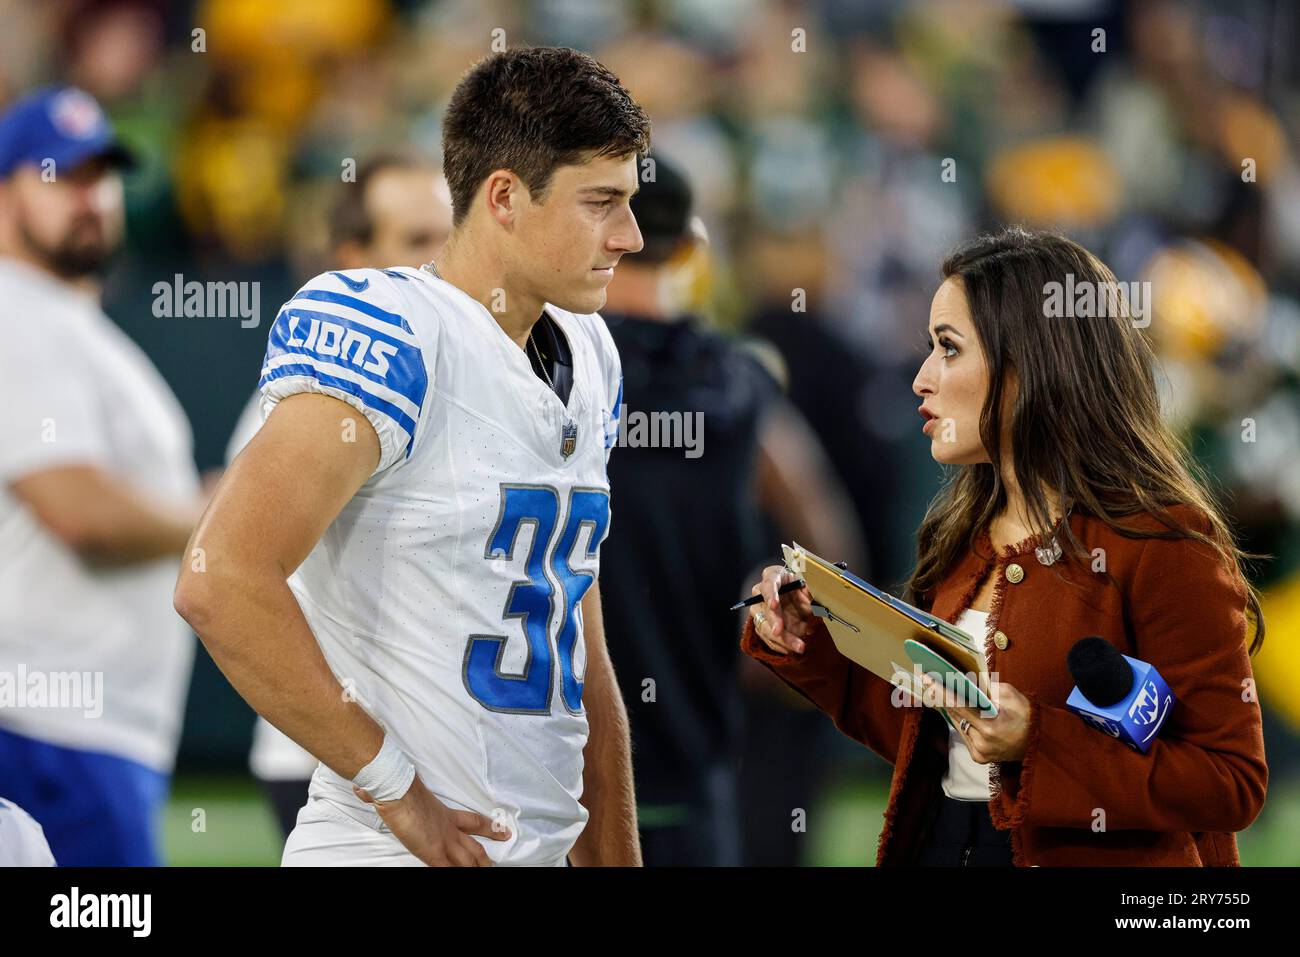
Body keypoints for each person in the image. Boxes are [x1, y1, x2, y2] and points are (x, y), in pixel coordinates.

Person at [174, 47, 650, 867]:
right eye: (600, 202)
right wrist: (396, 786)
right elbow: (220, 579)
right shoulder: (393, 330)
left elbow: (583, 650)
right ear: (503, 196)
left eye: (630, 201)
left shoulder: (590, 352)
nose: (629, 234)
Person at [742, 227, 1268, 866]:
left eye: (948, 349)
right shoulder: (961, 531)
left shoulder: (1163, 542)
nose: (920, 378)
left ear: (1031, 365)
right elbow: (933, 739)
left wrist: (1040, 743)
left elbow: (1229, 782)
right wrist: (809, 643)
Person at [597, 157, 862, 864]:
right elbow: (830, 550)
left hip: (557, 787)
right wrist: (766, 629)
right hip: (694, 783)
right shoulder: (737, 385)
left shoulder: (545, 368)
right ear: (690, 249)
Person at [0, 87, 203, 865]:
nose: (90, 197)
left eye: (102, 175)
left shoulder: (67, 325)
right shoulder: (19, 313)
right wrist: (212, 515)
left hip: (80, 732)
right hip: (47, 735)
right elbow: (77, 509)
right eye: (60, 175)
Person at [229, 151, 456, 840]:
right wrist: (382, 768)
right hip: (337, 759)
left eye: (452, 237)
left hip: (424, 757)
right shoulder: (325, 398)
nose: (441, 262)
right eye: (417, 241)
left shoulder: (453, 377)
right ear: (352, 258)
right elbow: (226, 580)